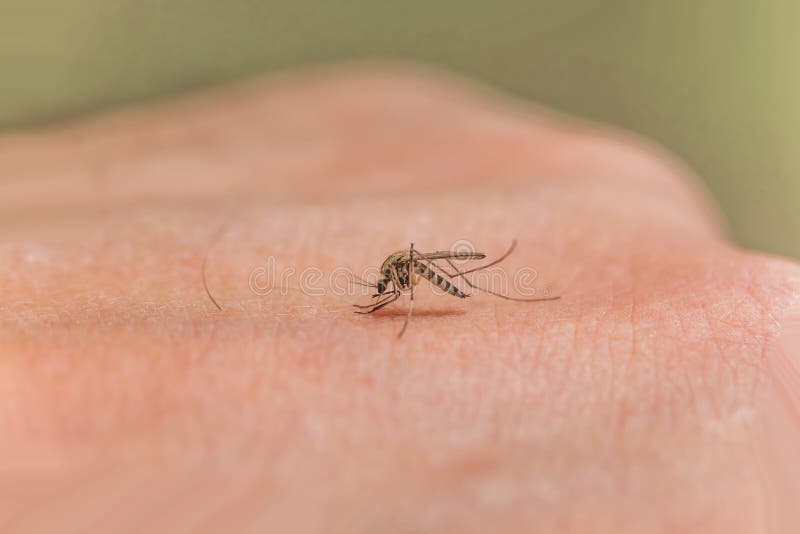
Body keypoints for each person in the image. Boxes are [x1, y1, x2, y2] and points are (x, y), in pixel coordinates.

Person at [2, 65, 799, 533]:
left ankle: (482, 284)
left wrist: (422, 298)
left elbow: (415, 275)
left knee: (437, 275)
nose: (389, 297)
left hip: (434, 264)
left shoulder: (410, 276)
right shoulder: (390, 276)